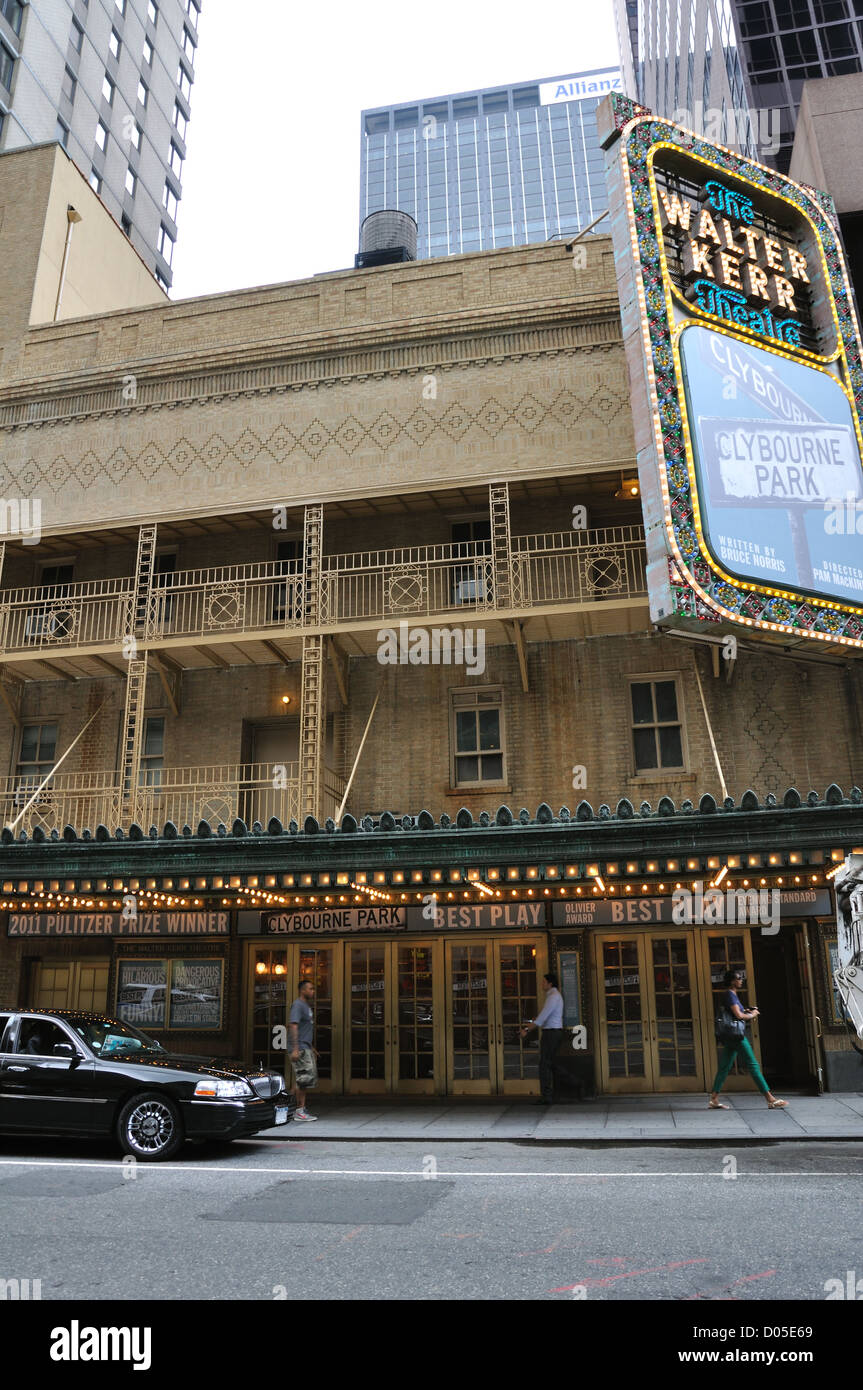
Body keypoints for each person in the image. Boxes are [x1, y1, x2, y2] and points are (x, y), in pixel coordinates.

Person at [709, 969, 787, 1110]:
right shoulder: (730, 995)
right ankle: (770, 1099)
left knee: (724, 1068)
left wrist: (748, 1010)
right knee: (753, 1065)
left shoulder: (731, 995)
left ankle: (714, 1098)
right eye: (739, 978)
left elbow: (736, 1013)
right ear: (733, 981)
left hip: (730, 1037)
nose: (741, 980)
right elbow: (738, 1016)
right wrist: (753, 1015)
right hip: (737, 1037)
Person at [520, 972, 564, 1105]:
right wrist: (535, 1021)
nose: (542, 984)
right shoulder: (552, 996)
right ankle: (550, 1094)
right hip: (552, 1032)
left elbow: (543, 1017)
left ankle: (547, 1096)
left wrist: (527, 1029)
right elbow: (544, 1017)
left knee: (545, 1064)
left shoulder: (553, 997)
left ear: (550, 984)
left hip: (551, 1033)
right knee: (549, 1064)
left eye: (544, 982)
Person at [289, 979, 319, 1122]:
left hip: (304, 1046)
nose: (313, 991)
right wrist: (296, 1048)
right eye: (310, 988)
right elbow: (293, 1025)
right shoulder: (298, 1005)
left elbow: (304, 1028)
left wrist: (311, 1047)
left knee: (302, 1079)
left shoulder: (306, 1006)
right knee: (304, 1079)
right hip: (300, 1048)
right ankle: (299, 1110)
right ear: (303, 990)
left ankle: (290, 1106)